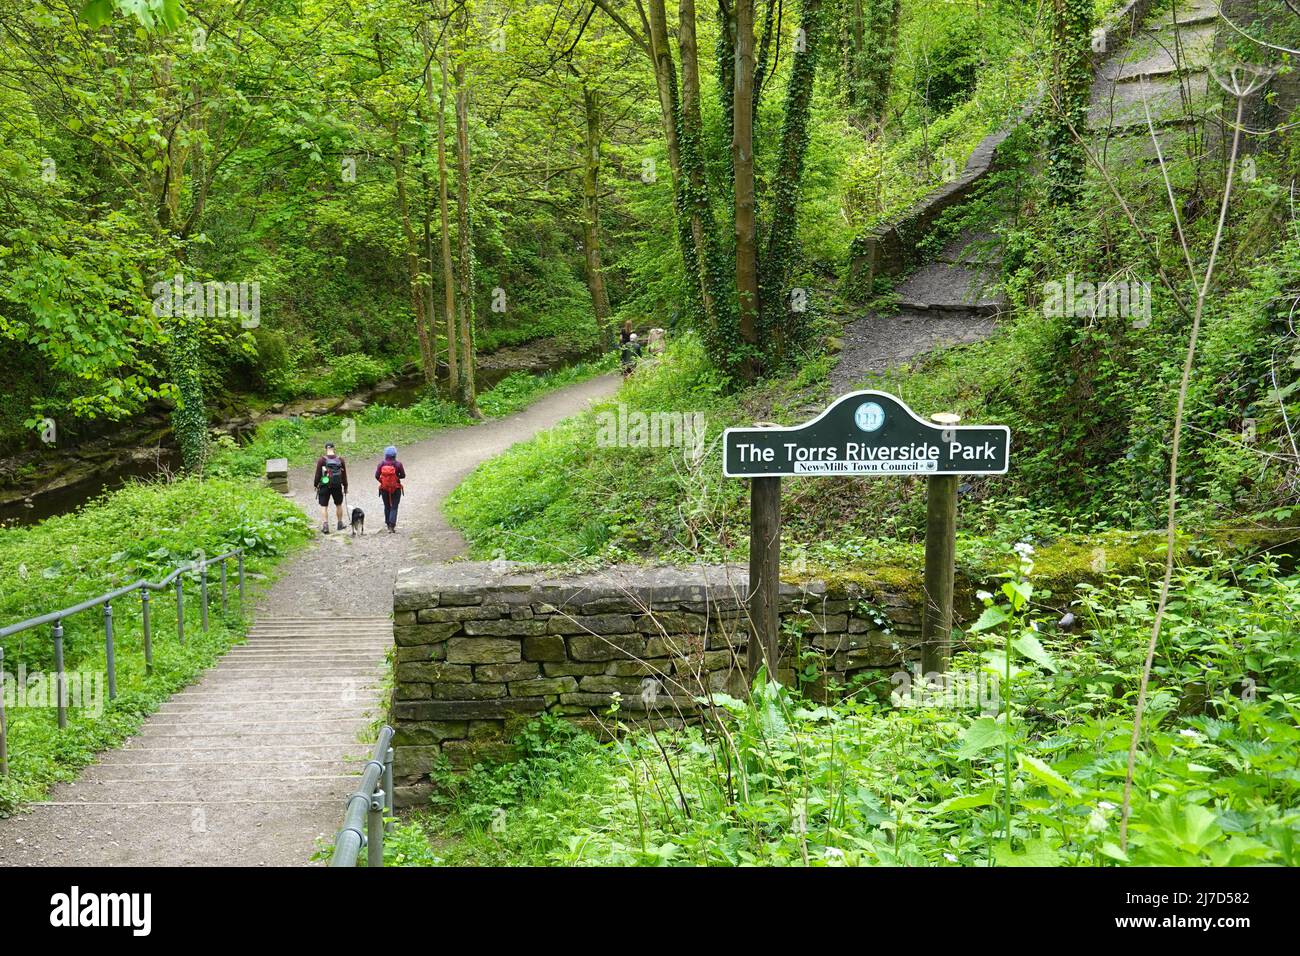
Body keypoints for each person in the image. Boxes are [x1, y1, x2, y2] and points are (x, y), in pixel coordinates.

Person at [313, 441, 349, 534]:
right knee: (338, 504)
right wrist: (345, 486)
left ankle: (325, 526)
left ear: (326, 449)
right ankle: (340, 524)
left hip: (325, 485)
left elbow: (317, 474)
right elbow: (344, 475)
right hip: (337, 485)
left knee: (324, 506)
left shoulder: (322, 460)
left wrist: (315, 485)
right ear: (334, 448)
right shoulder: (340, 459)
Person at [375, 445, 406, 533]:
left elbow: (376, 476)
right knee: (394, 507)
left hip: (384, 488)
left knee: (387, 506)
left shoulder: (381, 464)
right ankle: (392, 526)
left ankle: (388, 524)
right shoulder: (398, 464)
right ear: (395, 455)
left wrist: (383, 481)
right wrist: (397, 478)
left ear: (385, 455)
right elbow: (403, 475)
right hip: (396, 488)